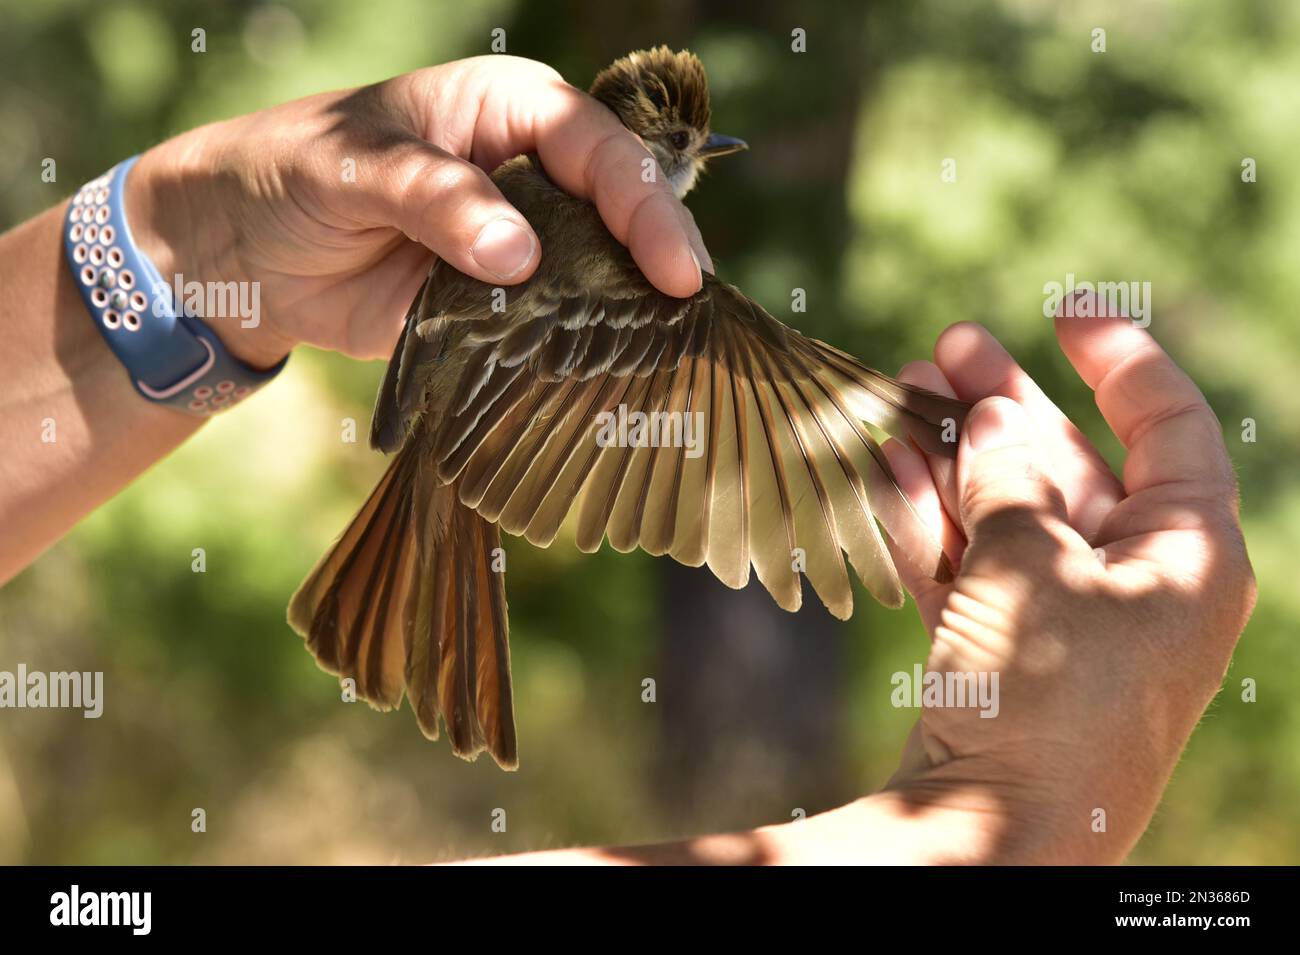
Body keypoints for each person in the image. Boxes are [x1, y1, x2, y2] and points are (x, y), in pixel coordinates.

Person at [0, 57, 1256, 864]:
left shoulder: (503, 194)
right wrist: (1020, 816)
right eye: (675, 156)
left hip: (434, 435)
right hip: (451, 462)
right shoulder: (667, 299)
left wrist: (197, 243)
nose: (687, 175)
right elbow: (762, 416)